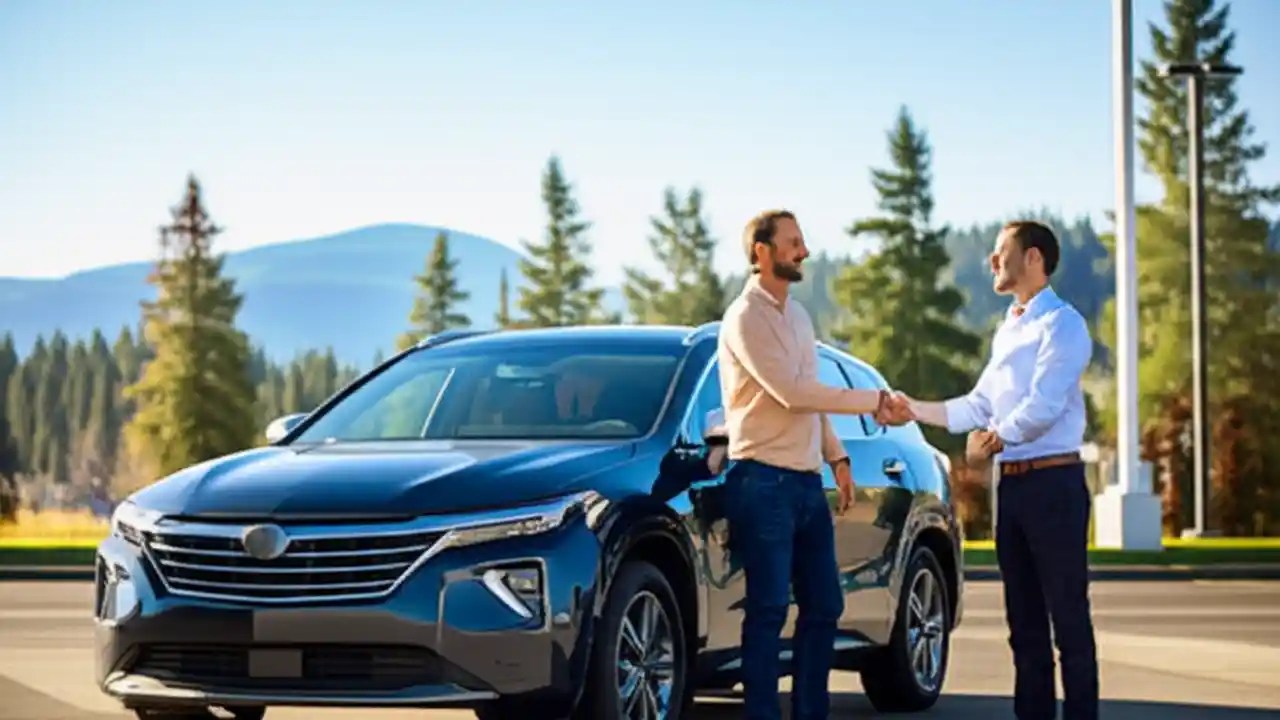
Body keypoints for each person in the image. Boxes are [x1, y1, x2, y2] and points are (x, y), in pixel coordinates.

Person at [897, 220, 1099, 720]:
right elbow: (977, 403)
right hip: (1010, 490)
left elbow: (1045, 405)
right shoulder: (1010, 326)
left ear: (1033, 258)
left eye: (1000, 252)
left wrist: (994, 439)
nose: (992, 261)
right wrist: (911, 409)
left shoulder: (1063, 324)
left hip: (1054, 485)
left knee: (1068, 621)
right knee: (1023, 626)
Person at [717, 209, 911, 720]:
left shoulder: (798, 317)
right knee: (768, 611)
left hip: (806, 486)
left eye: (802, 242)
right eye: (793, 242)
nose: (803, 251)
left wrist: (838, 457)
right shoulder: (744, 319)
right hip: (761, 480)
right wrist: (873, 400)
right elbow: (791, 393)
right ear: (761, 251)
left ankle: (810, 712)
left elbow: (813, 398)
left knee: (825, 605)